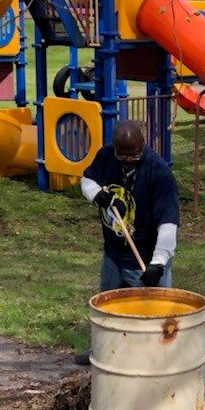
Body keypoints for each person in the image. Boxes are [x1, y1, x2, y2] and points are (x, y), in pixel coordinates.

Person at [79, 120, 179, 291]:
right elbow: (87, 179)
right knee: (109, 305)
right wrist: (96, 194)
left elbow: (168, 223)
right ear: (115, 148)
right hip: (113, 257)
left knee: (152, 307)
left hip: (146, 262)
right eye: (122, 156)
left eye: (134, 156)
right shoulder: (106, 155)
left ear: (142, 145)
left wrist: (158, 262)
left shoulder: (158, 172)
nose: (129, 160)